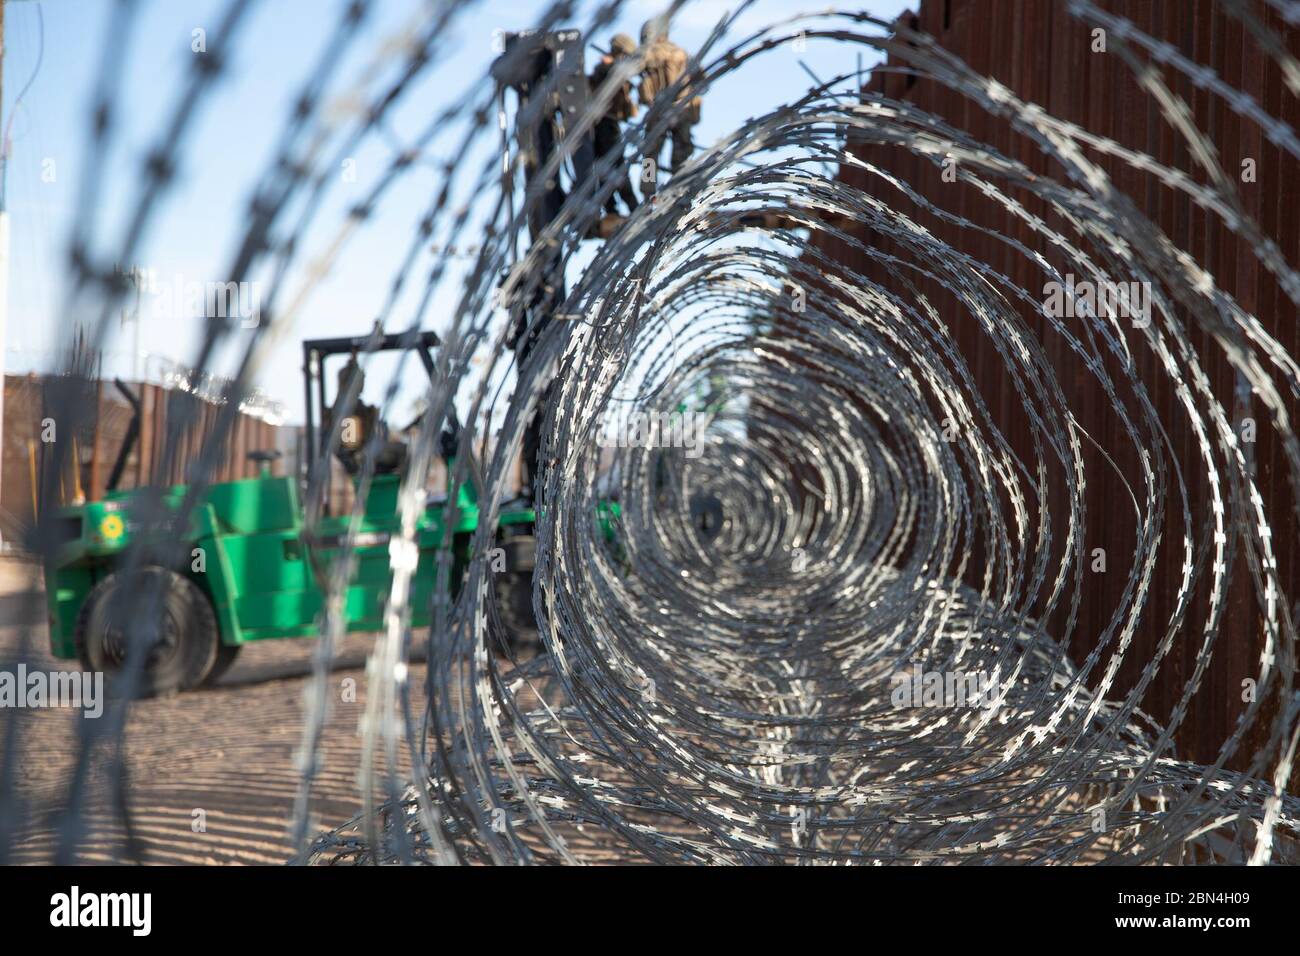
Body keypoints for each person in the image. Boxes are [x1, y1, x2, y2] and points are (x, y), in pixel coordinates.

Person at [637, 18, 700, 197]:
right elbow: (700, 78)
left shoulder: (652, 51)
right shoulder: (683, 53)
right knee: (682, 154)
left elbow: (633, 67)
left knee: (650, 156)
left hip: (660, 111)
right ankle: (680, 192)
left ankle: (648, 194)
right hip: (684, 110)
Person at [588, 33, 640, 218]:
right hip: (605, 124)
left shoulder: (613, 67)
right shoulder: (607, 68)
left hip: (607, 124)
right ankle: (630, 207)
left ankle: (615, 209)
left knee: (608, 167)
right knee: (615, 167)